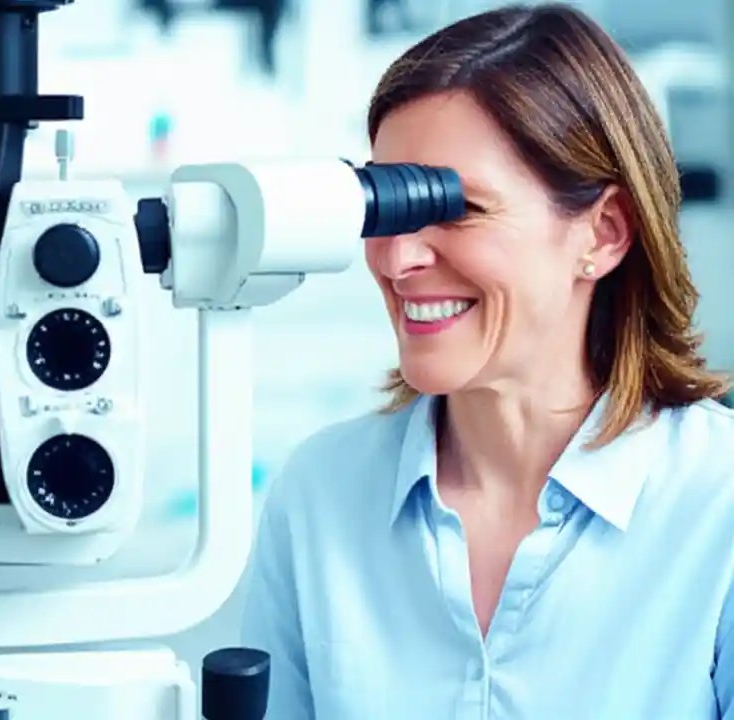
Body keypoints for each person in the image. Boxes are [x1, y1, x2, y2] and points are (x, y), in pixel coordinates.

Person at [241, 4, 734, 718]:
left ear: (603, 232)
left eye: (458, 209)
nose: (400, 257)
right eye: (385, 207)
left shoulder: (717, 507)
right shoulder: (320, 498)